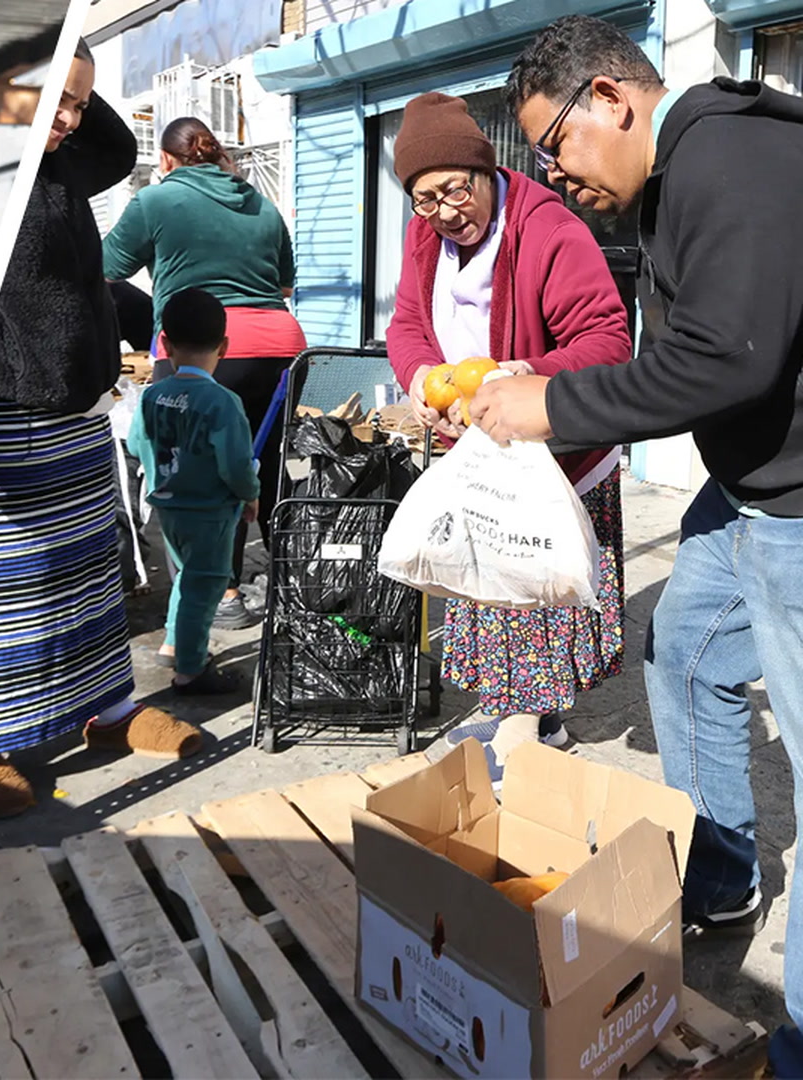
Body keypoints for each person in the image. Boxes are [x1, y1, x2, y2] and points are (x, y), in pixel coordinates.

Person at [473, 15, 803, 1063]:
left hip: (801, 507)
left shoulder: (733, 158)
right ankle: (722, 873)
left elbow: (726, 361)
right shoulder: (673, 183)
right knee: (685, 648)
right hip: (747, 491)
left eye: (557, 145)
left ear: (614, 96)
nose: (555, 176)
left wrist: (553, 404)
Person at [0, 39, 207, 821]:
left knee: (85, 572)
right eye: (59, 102)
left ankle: (104, 711)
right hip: (0, 421)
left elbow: (113, 144)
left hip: (75, 411)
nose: (72, 119)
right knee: (1, 589)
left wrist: (65, 85)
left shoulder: (64, 161)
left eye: (79, 101)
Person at [382, 90, 633, 772]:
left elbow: (607, 339)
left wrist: (523, 373)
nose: (443, 213)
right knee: (487, 581)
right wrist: (421, 380)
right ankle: (509, 706)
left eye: (455, 190)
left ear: (486, 171)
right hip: (479, 448)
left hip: (557, 451)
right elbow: (406, 325)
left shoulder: (549, 230)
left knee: (535, 582)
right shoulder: (424, 237)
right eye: (424, 199)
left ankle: (533, 727)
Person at [102, 115, 305, 629]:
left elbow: (102, 270)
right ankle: (292, 591)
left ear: (166, 160)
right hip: (283, 352)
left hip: (205, 351)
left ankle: (224, 594)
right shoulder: (261, 203)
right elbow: (283, 287)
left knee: (202, 477)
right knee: (267, 471)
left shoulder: (156, 200)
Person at [126, 289, 261, 694]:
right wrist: (250, 493)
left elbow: (135, 446)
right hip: (211, 512)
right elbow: (236, 464)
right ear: (224, 347)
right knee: (206, 588)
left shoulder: (151, 395)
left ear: (164, 344)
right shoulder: (223, 402)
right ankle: (190, 669)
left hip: (168, 506)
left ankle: (173, 641)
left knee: (186, 577)